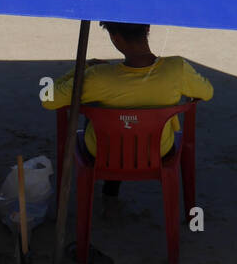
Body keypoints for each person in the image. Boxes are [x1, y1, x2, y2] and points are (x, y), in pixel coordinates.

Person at [42, 21, 213, 198]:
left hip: (101, 154)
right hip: (159, 152)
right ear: (147, 29)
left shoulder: (96, 76)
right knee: (128, 120)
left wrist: (82, 68)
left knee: (103, 114)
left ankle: (111, 186)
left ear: (115, 38)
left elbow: (48, 99)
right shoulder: (177, 68)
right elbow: (207, 92)